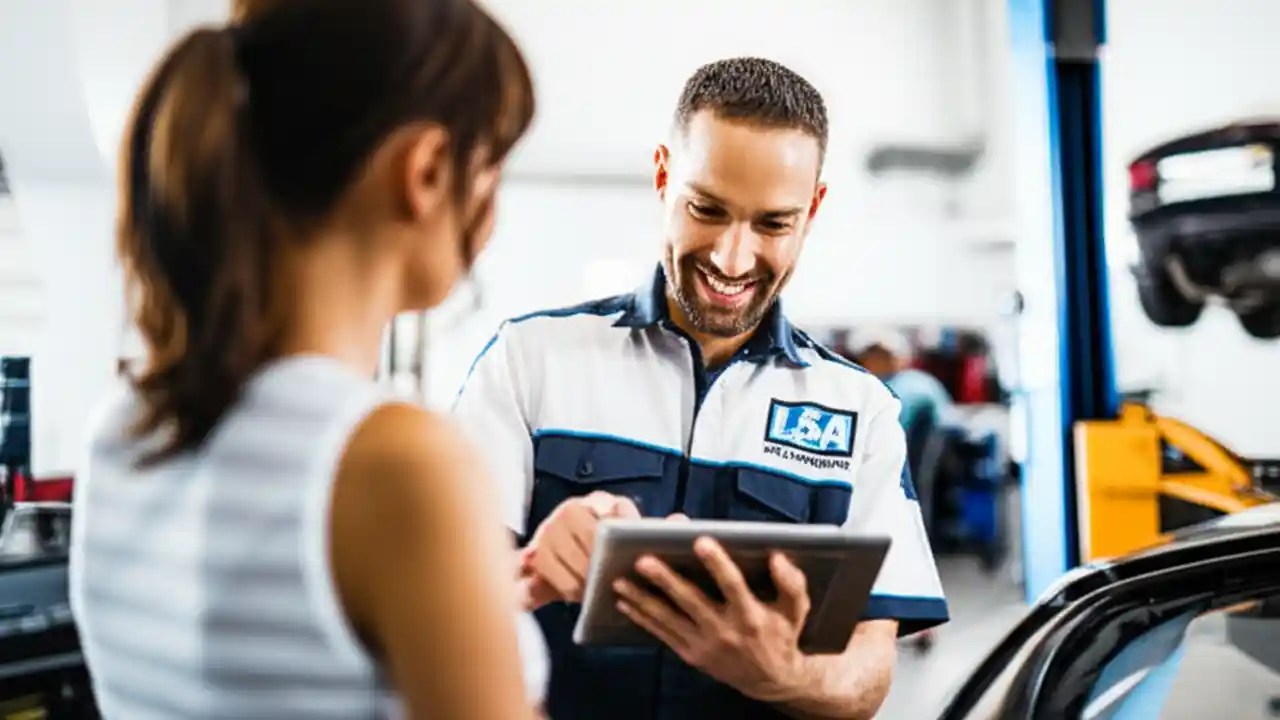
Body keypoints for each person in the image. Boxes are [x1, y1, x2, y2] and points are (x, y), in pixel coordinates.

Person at [68, 2, 545, 718]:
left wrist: (489, 585)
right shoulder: (404, 466)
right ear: (427, 170)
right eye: (492, 166)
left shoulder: (122, 427)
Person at [454, 57, 949, 720]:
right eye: (706, 209)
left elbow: (871, 665)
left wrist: (784, 674)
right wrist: (529, 574)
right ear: (663, 176)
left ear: (814, 210)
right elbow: (430, 603)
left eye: (773, 224)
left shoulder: (859, 411)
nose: (731, 259)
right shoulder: (531, 360)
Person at [849, 327, 955, 435]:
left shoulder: (908, 386)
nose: (879, 359)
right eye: (872, 353)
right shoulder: (923, 380)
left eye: (883, 354)